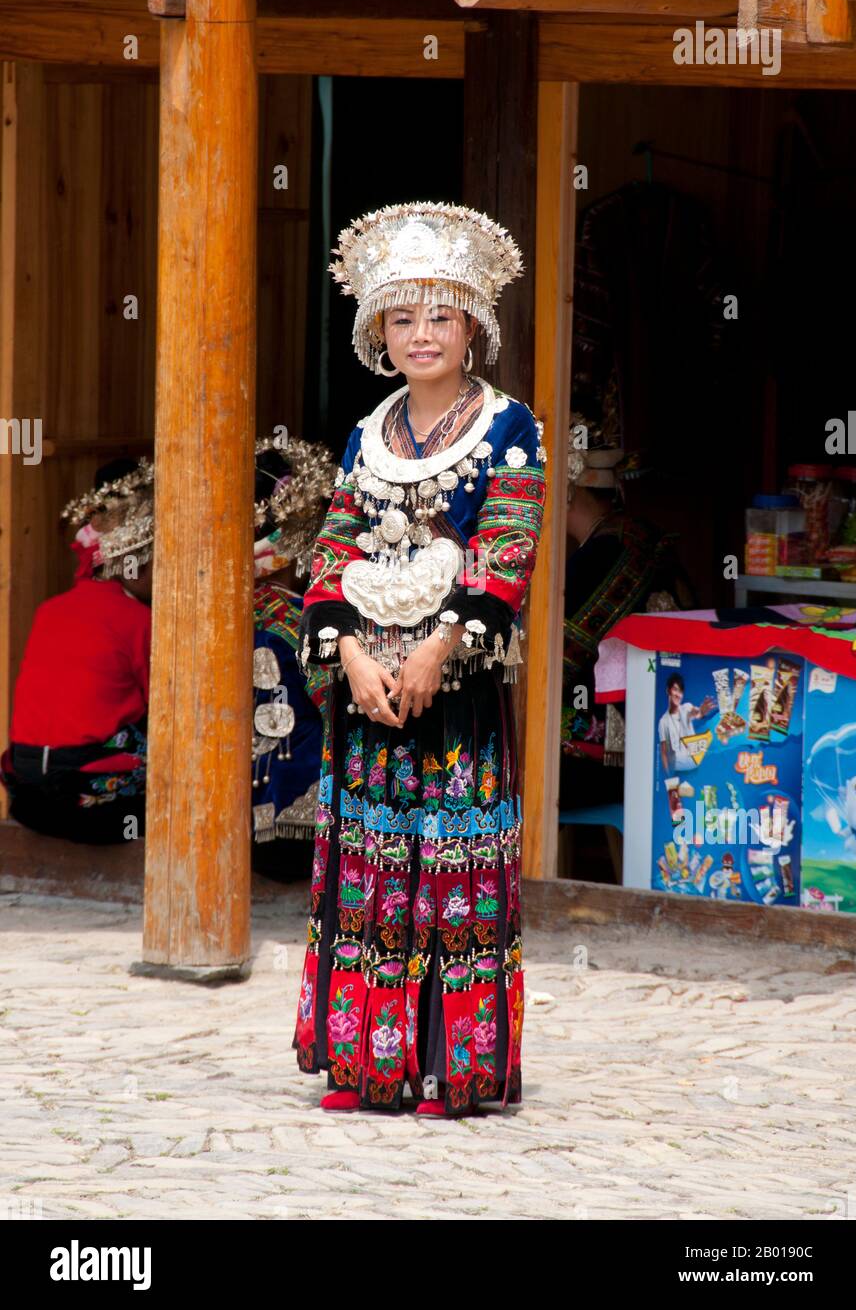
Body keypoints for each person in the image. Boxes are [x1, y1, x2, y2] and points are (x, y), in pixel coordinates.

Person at [292, 201, 546, 1118]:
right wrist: (351, 655)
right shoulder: (368, 434)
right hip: (366, 698)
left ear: (473, 324)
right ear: (377, 332)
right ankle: (368, 1065)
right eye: (402, 317)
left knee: (450, 869)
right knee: (369, 864)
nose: (422, 334)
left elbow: (507, 549)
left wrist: (441, 647)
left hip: (457, 695)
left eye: (440, 314)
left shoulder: (510, 428)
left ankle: (450, 1069)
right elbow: (332, 549)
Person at [1, 459, 153, 845]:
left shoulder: (49, 610)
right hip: (89, 804)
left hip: (26, 796)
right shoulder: (138, 620)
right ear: (133, 566)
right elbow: (167, 711)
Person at [560, 435, 694, 811]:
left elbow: (557, 664)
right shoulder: (642, 535)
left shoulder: (604, 554)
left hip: (607, 765)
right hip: (666, 740)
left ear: (567, 492)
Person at [250, 434, 337, 879]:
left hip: (233, 828)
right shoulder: (305, 622)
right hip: (295, 841)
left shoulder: (213, 616)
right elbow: (335, 708)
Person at [658, 673, 715, 775]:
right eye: (675, 689)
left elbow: (695, 713)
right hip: (678, 769)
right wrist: (668, 776)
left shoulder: (685, 708)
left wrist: (701, 711)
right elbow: (664, 752)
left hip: (696, 762)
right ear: (668, 691)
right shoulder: (663, 721)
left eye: (680, 691)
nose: (678, 694)